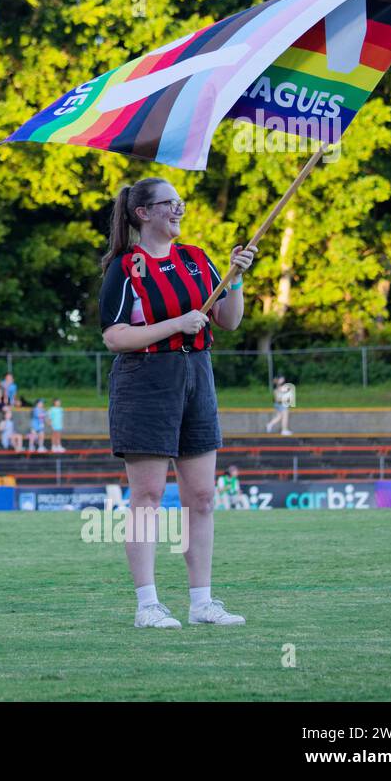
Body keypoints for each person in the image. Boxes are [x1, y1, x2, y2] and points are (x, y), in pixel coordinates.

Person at [99, 177, 256, 629]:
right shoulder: (125, 267)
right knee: (147, 495)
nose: (178, 209)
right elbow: (114, 336)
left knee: (203, 497)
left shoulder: (197, 259)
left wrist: (236, 279)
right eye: (169, 203)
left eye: (180, 202)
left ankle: (202, 601)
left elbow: (227, 321)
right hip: (145, 380)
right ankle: (148, 604)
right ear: (143, 213)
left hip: (198, 375)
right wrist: (174, 325)